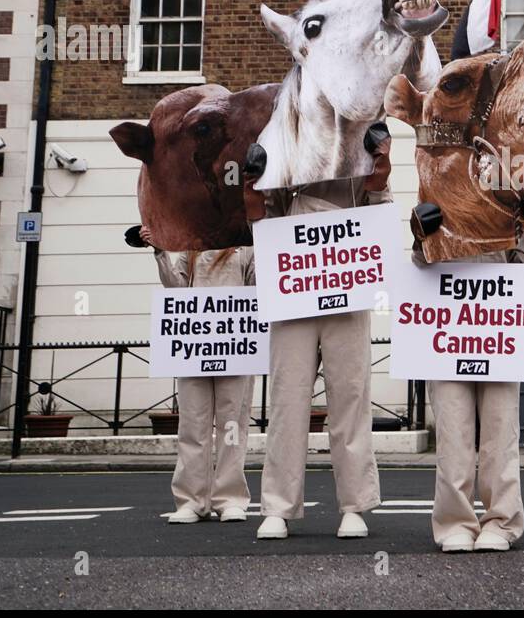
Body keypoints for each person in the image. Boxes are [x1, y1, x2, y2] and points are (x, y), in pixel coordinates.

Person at [253, 125, 393, 541]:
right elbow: (270, 217)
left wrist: (380, 170)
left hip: (346, 284)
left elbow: (381, 206)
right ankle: (278, 506)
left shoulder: (362, 142)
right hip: (295, 285)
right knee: (287, 396)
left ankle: (355, 505)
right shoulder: (285, 141)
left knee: (350, 396)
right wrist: (254, 188)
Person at [428, 228, 524, 553]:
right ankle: (455, 522)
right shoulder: (437, 188)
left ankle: (501, 521)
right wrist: (420, 239)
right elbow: (419, 267)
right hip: (447, 324)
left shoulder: (506, 198)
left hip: (498, 324)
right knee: (452, 431)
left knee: (500, 427)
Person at [130, 225, 255, 525]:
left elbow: (258, 288)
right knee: (193, 422)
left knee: (232, 424)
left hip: (235, 344)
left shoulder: (248, 244)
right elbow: (175, 288)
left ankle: (230, 499)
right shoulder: (191, 245)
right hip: (195, 344)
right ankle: (191, 500)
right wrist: (159, 250)